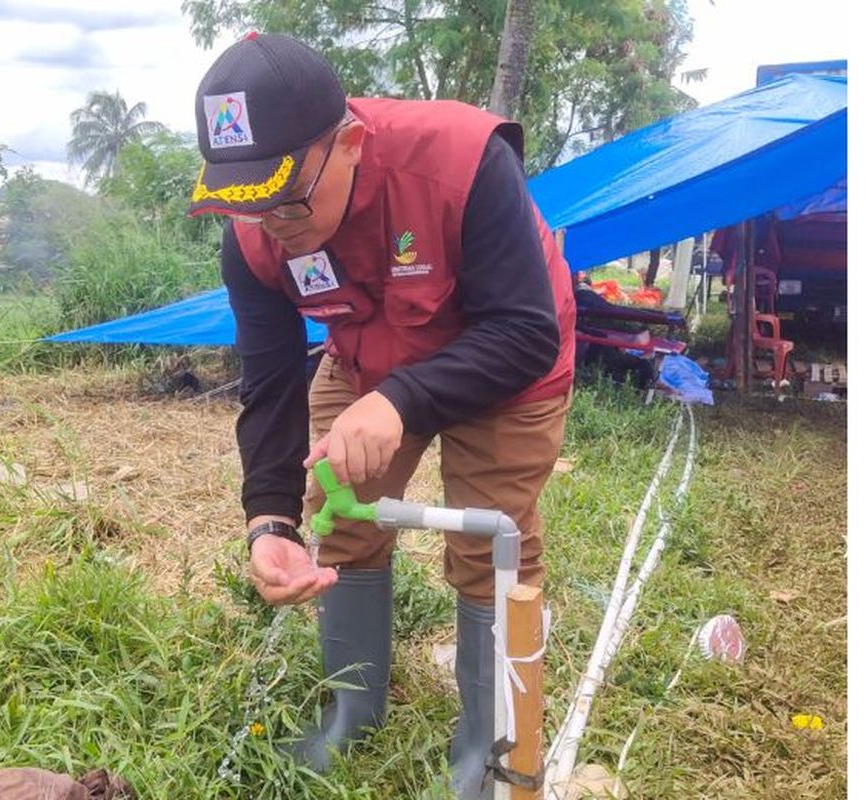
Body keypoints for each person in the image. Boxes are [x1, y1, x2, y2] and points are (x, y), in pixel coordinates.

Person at [188, 33, 576, 798]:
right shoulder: (257, 234)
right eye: (251, 205)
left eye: (288, 201)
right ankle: (353, 713)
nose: (274, 225)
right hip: (367, 356)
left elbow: (525, 331)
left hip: (503, 359)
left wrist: (402, 402)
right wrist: (268, 522)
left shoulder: (460, 162)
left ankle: (485, 746)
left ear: (351, 144)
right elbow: (268, 379)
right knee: (341, 516)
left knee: (487, 540)